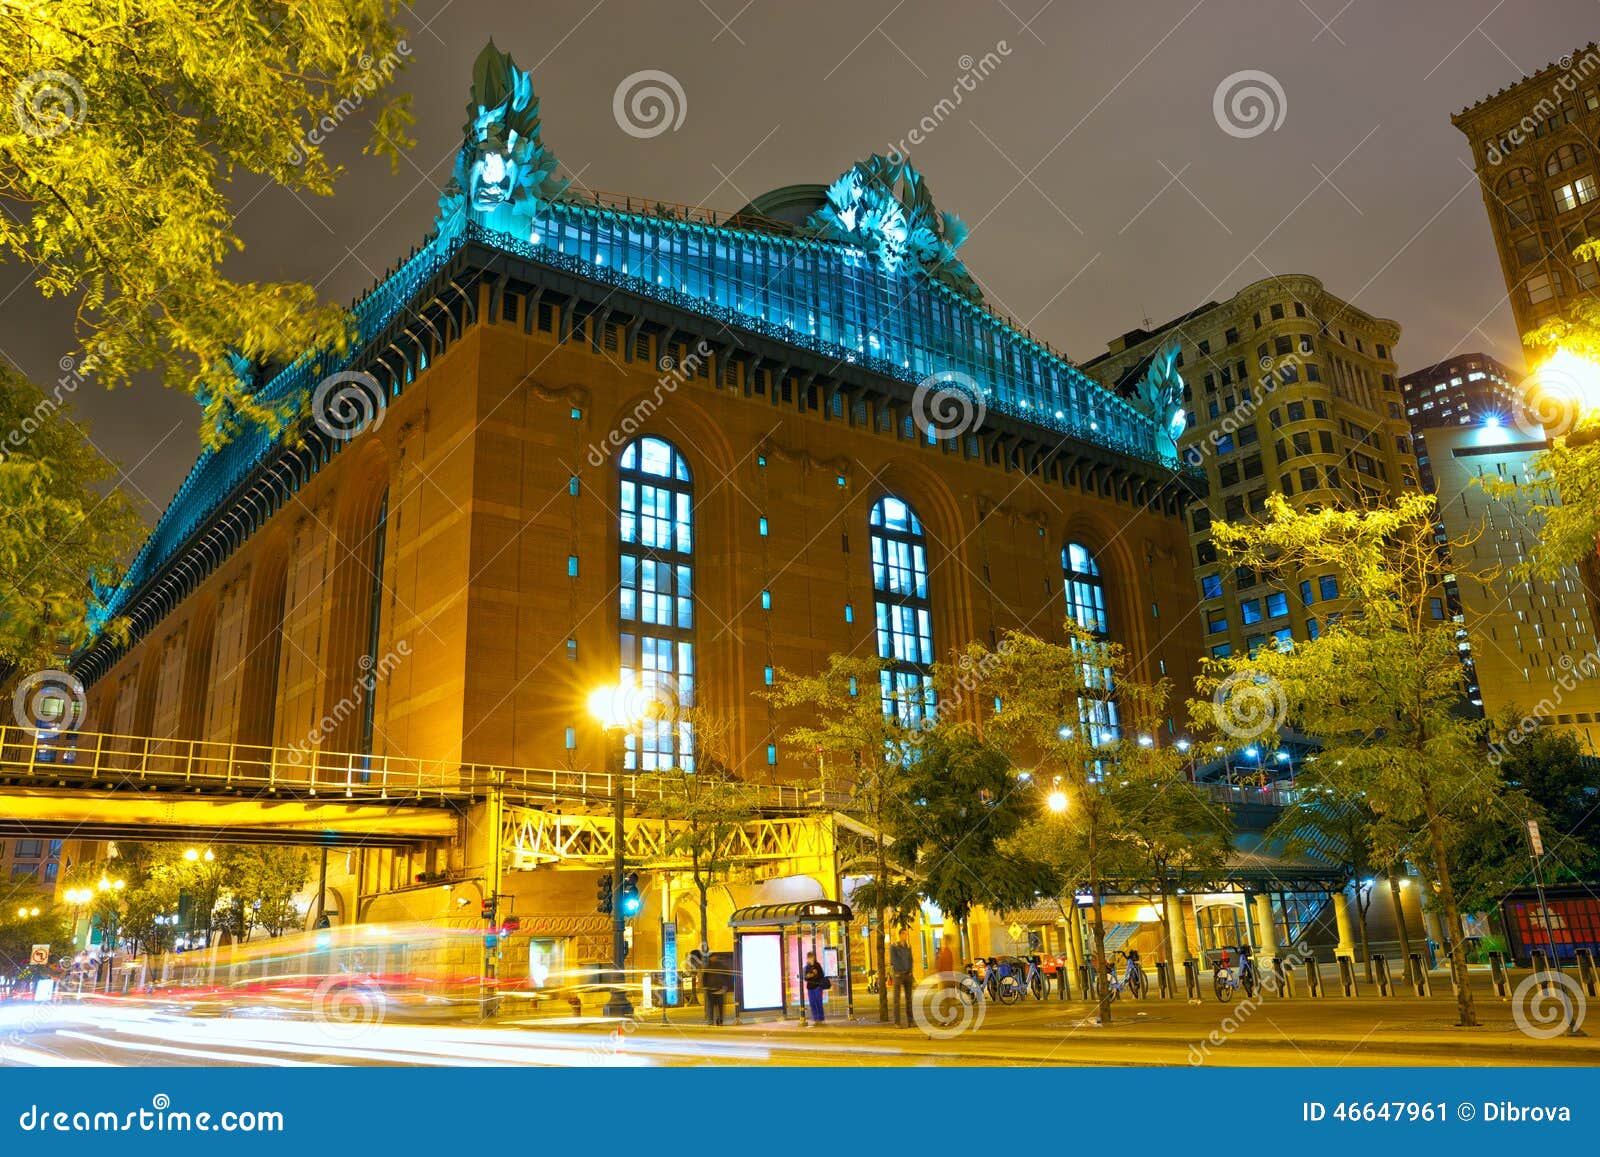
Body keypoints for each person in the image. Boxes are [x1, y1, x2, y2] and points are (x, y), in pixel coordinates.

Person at [890, 933, 915, 1027]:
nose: (905, 936)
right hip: (898, 975)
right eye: (904, 934)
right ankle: (897, 1022)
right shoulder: (894, 946)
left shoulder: (908, 946)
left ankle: (910, 1021)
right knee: (897, 1000)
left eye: (906, 934)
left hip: (907, 974)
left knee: (909, 999)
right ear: (900, 935)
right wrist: (897, 971)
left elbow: (911, 959)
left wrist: (911, 971)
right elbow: (893, 960)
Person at [802, 952, 827, 1024]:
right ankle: (816, 1019)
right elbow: (805, 978)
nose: (810, 959)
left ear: (813, 957)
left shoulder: (817, 965)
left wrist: (815, 974)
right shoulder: (807, 967)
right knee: (812, 1003)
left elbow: (822, 975)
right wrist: (809, 975)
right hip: (810, 987)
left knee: (818, 1002)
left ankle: (821, 1019)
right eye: (809, 958)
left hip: (817, 986)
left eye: (811, 957)